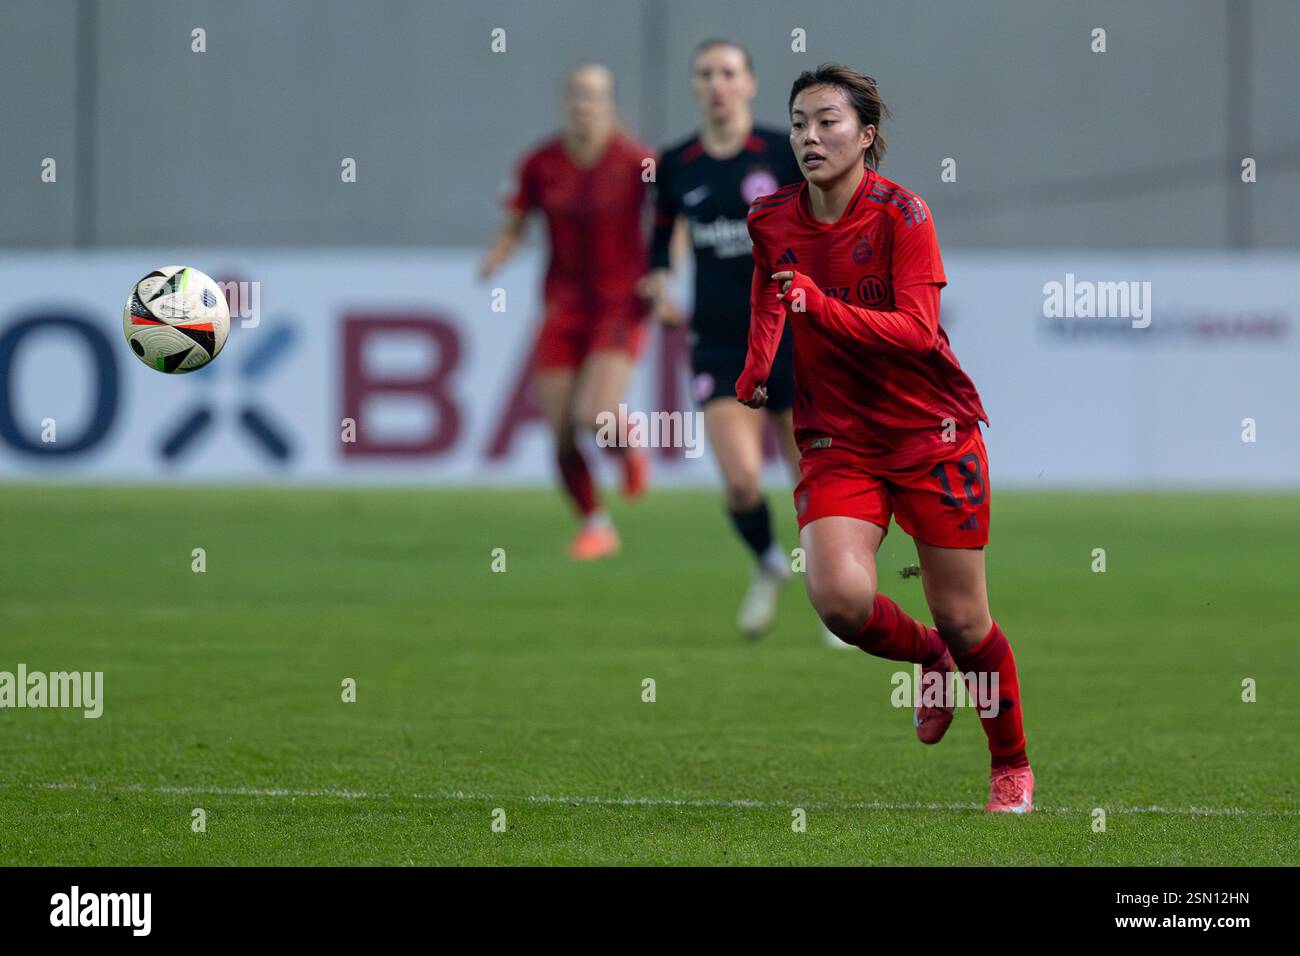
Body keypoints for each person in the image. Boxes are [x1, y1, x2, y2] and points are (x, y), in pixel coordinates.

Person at [737, 64, 1034, 812]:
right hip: (837, 436)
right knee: (838, 596)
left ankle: (1011, 764)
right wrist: (754, 369)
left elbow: (915, 332)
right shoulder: (771, 218)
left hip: (932, 434)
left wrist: (819, 306)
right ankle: (926, 655)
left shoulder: (903, 215)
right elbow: (771, 296)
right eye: (800, 121)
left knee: (967, 619)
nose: (809, 135)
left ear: (867, 136)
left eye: (828, 121)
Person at [641, 40, 804, 638]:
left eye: (729, 72)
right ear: (694, 85)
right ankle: (768, 565)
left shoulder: (782, 155)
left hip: (791, 335)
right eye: (706, 73)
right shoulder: (676, 162)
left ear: (750, 84)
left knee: (810, 478)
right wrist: (659, 288)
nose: (717, 83)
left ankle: (834, 590)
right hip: (718, 342)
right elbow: (661, 244)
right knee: (740, 481)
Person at [482, 64, 652, 560]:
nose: (585, 106)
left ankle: (627, 449)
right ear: (566, 103)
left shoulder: (636, 161)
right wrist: (501, 252)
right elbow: (516, 219)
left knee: (595, 414)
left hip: (620, 302)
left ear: (609, 103)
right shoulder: (541, 162)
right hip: (563, 304)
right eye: (577, 97)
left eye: (594, 97)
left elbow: (671, 219)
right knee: (558, 431)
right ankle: (596, 525)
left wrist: (664, 273)